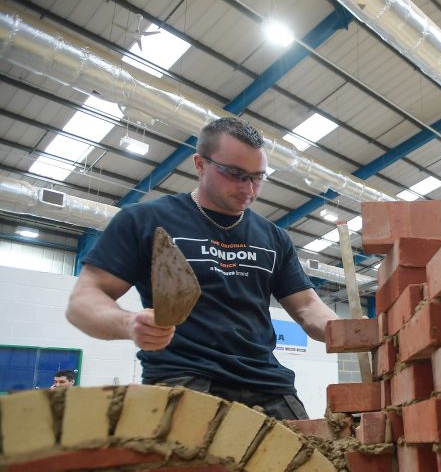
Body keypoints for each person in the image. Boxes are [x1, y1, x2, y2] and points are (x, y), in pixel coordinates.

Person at [66, 117, 339, 420]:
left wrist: (349, 332)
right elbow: (83, 301)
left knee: (309, 450)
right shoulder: (144, 221)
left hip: (267, 384)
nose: (248, 188)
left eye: (257, 177)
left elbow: (308, 308)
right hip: (184, 377)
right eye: (234, 174)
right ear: (199, 164)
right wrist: (128, 324)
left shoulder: (273, 237)